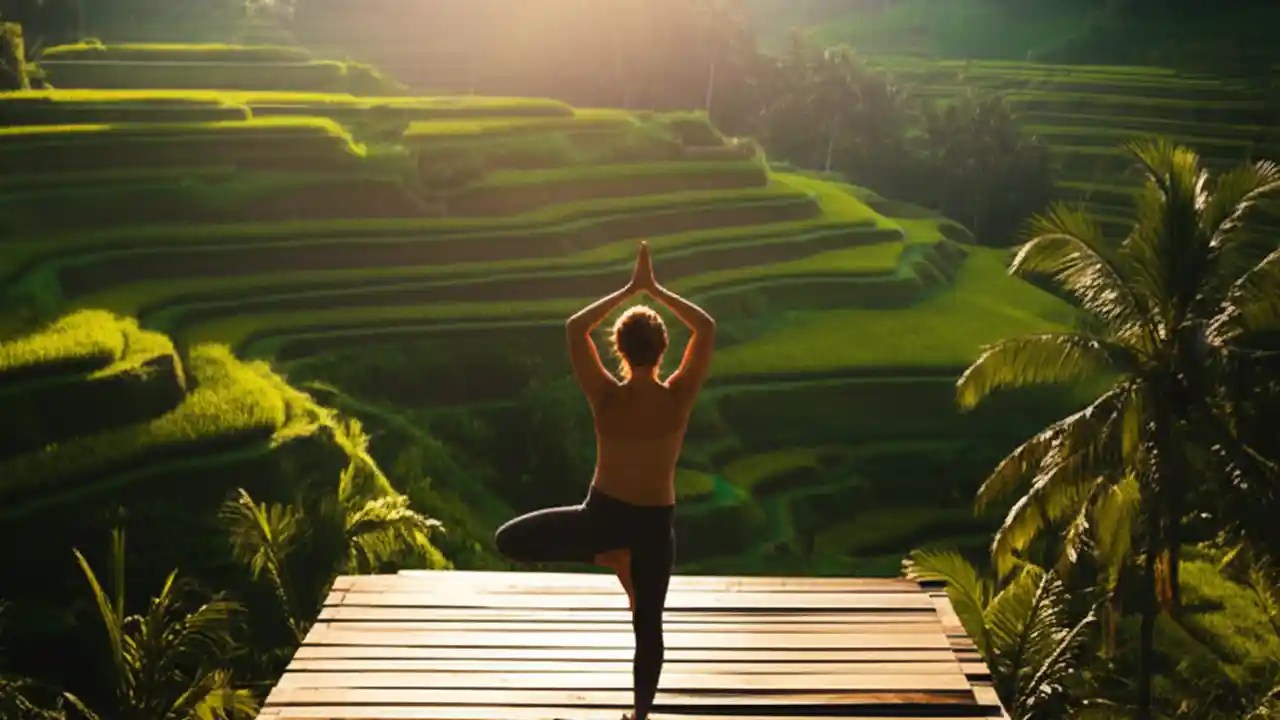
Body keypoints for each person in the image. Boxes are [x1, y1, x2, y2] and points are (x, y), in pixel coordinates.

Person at [493, 240, 716, 720]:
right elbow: (707, 327)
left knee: (509, 540)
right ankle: (640, 714)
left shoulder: (606, 397)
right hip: (654, 526)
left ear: (620, 348)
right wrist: (655, 290)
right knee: (648, 626)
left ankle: (608, 555)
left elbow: (575, 328)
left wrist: (630, 289)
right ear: (663, 349)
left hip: (602, 517)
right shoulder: (677, 398)